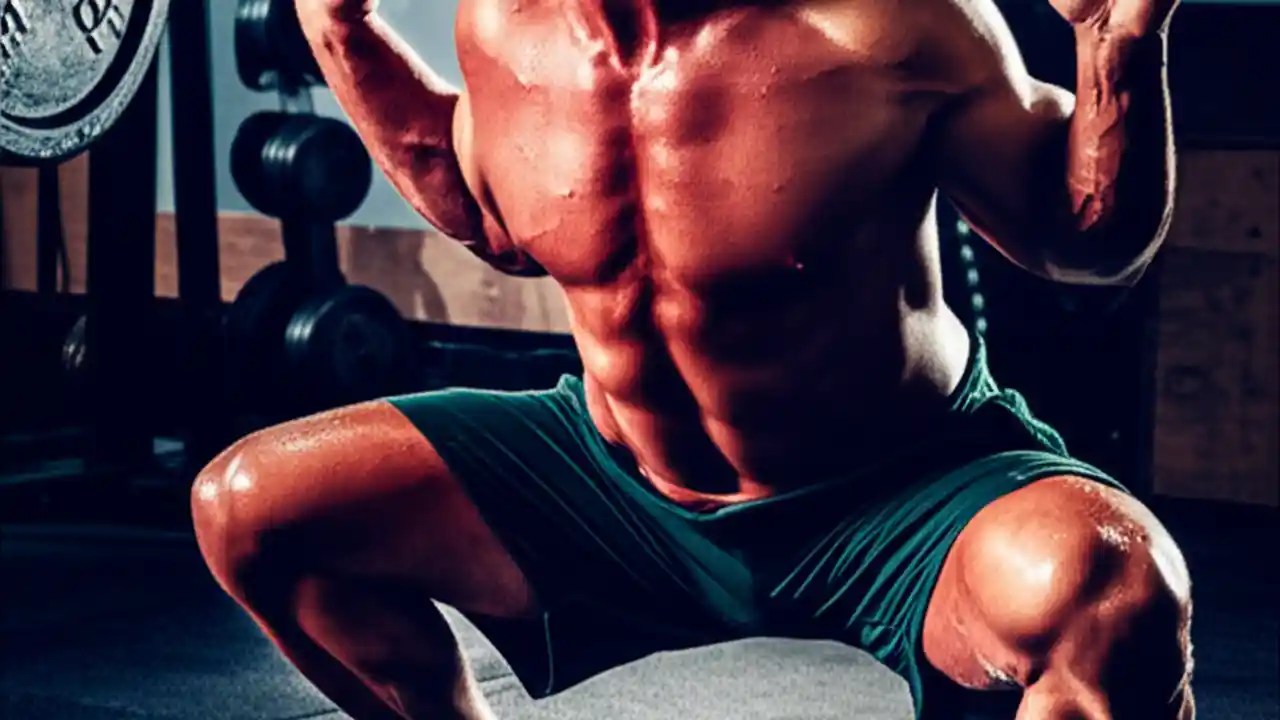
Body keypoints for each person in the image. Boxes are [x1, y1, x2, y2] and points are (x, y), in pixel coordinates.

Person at [192, 0, 1195, 717]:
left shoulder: (888, 27)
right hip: (616, 480)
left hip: (901, 491)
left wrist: (1116, 43)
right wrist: (339, 30)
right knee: (250, 508)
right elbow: (485, 211)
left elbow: (1083, 243)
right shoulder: (505, 26)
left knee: (1109, 594)